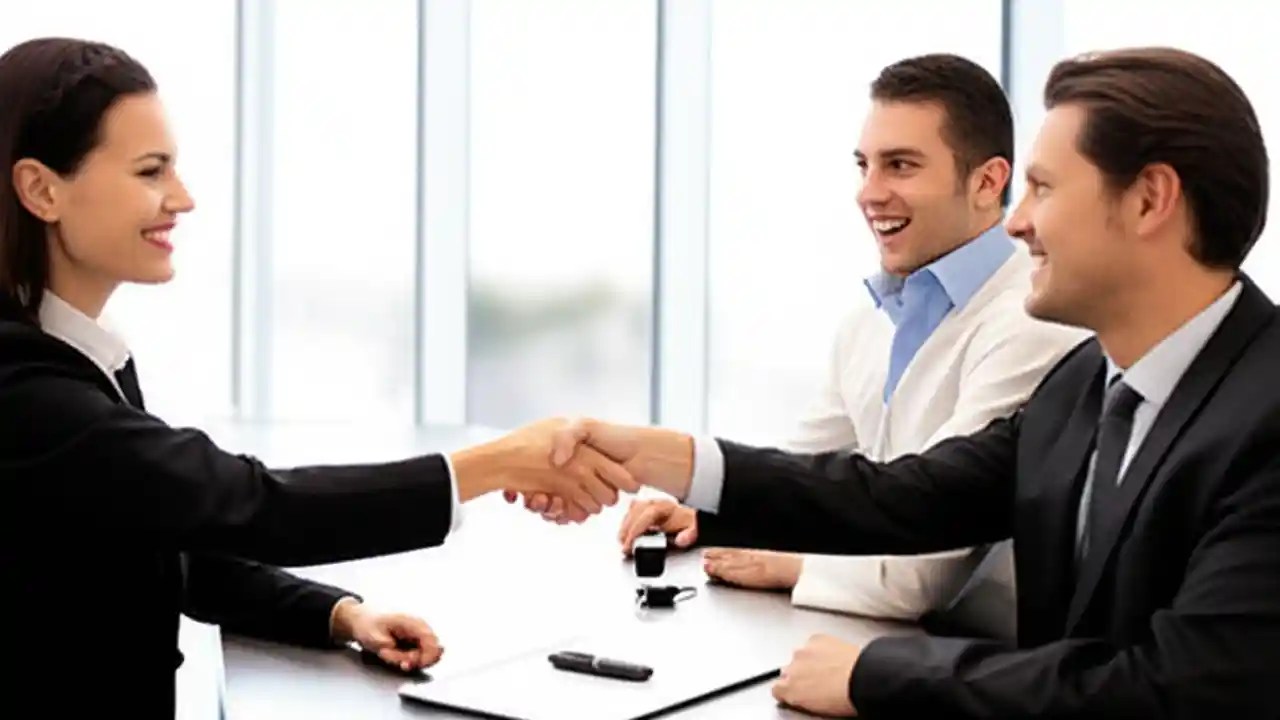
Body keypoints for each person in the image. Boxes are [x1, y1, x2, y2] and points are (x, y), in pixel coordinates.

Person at [551, 46, 1278, 717]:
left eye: (1043, 189)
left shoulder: (1266, 416)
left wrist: (879, 675)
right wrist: (668, 459)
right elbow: (903, 497)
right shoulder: (1085, 386)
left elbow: (1179, 687)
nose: (1018, 223)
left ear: (1150, 200)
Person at [0, 37, 635, 715]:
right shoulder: (24, 390)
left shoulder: (81, 354)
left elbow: (168, 537)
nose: (182, 198)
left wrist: (337, 615)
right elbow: (253, 506)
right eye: (151, 171)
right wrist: (496, 464)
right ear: (41, 189)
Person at [612, 54, 1085, 640]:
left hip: (979, 659)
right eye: (865, 166)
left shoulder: (1034, 324)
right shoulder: (870, 321)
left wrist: (792, 562)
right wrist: (713, 515)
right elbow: (805, 478)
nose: (870, 193)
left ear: (987, 182)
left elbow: (916, 573)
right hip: (893, 642)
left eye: (900, 166)